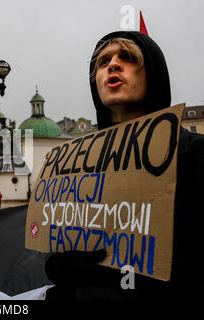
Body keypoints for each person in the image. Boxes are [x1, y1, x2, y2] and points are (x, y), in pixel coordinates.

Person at [45, 31, 204, 300]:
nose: (113, 65)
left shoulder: (195, 152)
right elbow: (57, 251)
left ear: (153, 73)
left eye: (128, 57)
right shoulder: (78, 163)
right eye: (102, 62)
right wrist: (63, 262)